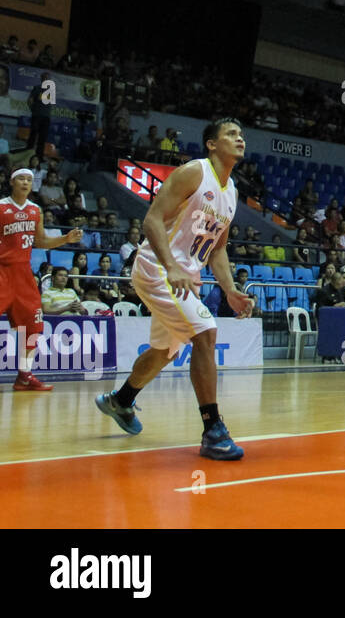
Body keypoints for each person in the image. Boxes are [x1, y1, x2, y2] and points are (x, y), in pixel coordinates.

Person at [95, 118, 254, 458]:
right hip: (158, 268)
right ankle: (213, 429)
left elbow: (219, 248)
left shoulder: (232, 192)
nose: (239, 138)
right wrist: (172, 267)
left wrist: (229, 289)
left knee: (163, 352)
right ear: (211, 143)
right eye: (230, 134)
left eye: (241, 135)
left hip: (183, 276)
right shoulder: (194, 172)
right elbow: (151, 219)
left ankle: (120, 401)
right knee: (206, 333)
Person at [1, 168, 84, 390]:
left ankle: (24, 376)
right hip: (2, 270)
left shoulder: (35, 210)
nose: (25, 182)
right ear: (12, 182)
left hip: (24, 273)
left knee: (33, 326)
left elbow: (41, 242)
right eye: (21, 178)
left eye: (29, 179)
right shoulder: (1, 206)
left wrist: (65, 238)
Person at [27, 71, 54, 159]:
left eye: (48, 78)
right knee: (33, 136)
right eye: (44, 78)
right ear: (41, 79)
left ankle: (39, 157)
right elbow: (30, 100)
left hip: (46, 118)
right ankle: (28, 155)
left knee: (42, 138)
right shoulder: (37, 88)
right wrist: (33, 110)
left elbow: (50, 104)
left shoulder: (51, 91)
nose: (46, 80)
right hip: (37, 116)